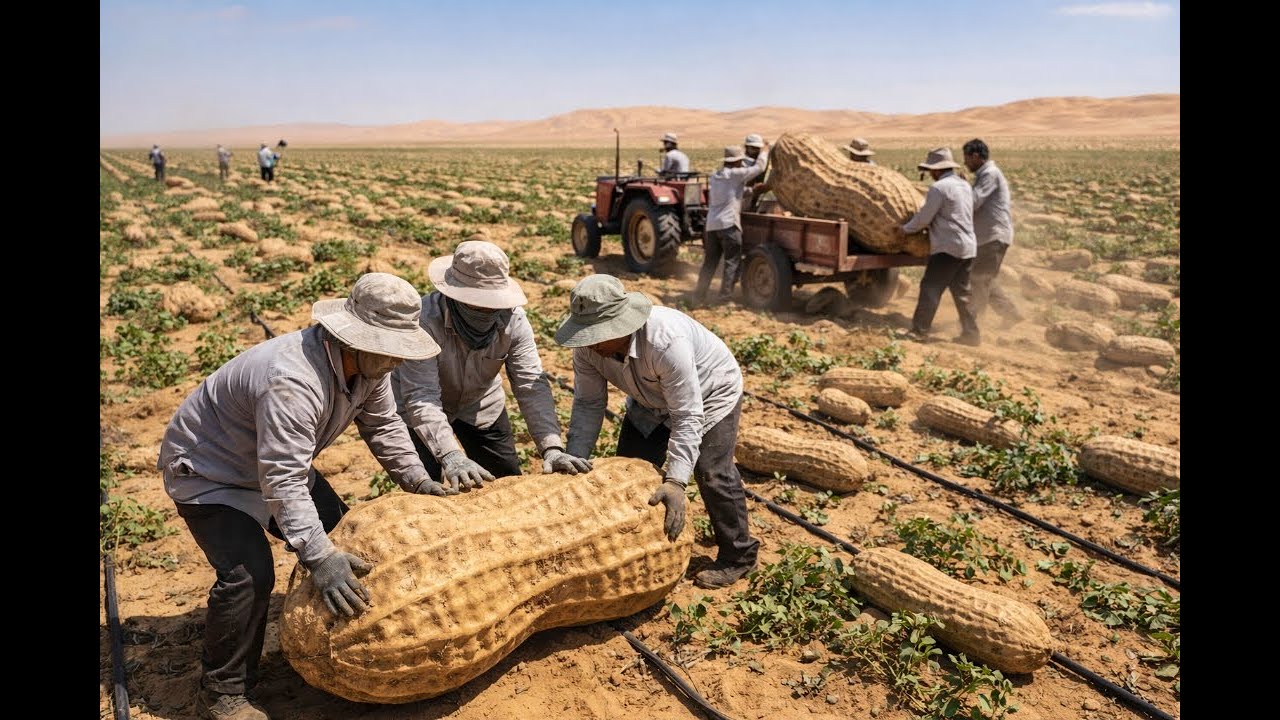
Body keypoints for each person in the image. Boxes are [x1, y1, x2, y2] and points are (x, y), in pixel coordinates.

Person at [157, 273, 450, 720]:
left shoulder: (372, 367)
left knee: (349, 540)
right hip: (211, 474)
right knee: (248, 577)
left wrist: (417, 480)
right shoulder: (291, 380)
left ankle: (336, 646)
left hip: (272, 466)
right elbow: (283, 481)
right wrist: (317, 556)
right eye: (391, 348)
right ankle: (222, 694)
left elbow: (384, 425)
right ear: (355, 339)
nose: (397, 360)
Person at [556, 274, 760, 589]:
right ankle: (636, 548)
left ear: (620, 325)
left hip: (709, 393)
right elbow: (588, 403)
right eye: (585, 334)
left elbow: (688, 414)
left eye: (597, 335)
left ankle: (739, 555)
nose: (590, 343)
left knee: (711, 472)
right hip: (648, 399)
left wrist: (677, 481)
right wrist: (575, 457)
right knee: (627, 472)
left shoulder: (664, 342)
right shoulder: (587, 349)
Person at [392, 239, 592, 491]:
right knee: (428, 490)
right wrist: (450, 456)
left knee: (506, 480)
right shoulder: (424, 322)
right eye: (479, 301)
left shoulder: (513, 320)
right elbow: (422, 397)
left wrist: (551, 447)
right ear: (453, 293)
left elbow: (530, 384)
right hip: (417, 412)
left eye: (493, 302)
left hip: (480, 406)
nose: (488, 309)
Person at [895, 147, 981, 346]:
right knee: (962, 293)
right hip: (968, 246)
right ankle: (972, 334)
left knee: (930, 288)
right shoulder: (964, 185)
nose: (931, 174)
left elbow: (924, 218)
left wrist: (904, 230)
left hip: (947, 247)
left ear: (936, 170)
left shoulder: (939, 188)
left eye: (931, 170)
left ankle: (919, 331)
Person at [696, 143, 769, 304]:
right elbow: (760, 167)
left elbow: (732, 193)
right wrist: (765, 151)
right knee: (732, 263)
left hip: (712, 225)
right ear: (736, 162)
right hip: (728, 225)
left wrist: (753, 191)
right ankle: (724, 298)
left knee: (710, 262)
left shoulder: (716, 176)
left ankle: (699, 295)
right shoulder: (735, 175)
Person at [963, 138, 1023, 326]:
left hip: (993, 236)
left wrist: (961, 188)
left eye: (966, 158)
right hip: (988, 236)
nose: (965, 162)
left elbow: (973, 202)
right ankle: (1011, 313)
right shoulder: (985, 174)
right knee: (986, 279)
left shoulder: (990, 173)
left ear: (975, 156)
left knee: (979, 279)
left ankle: (972, 325)